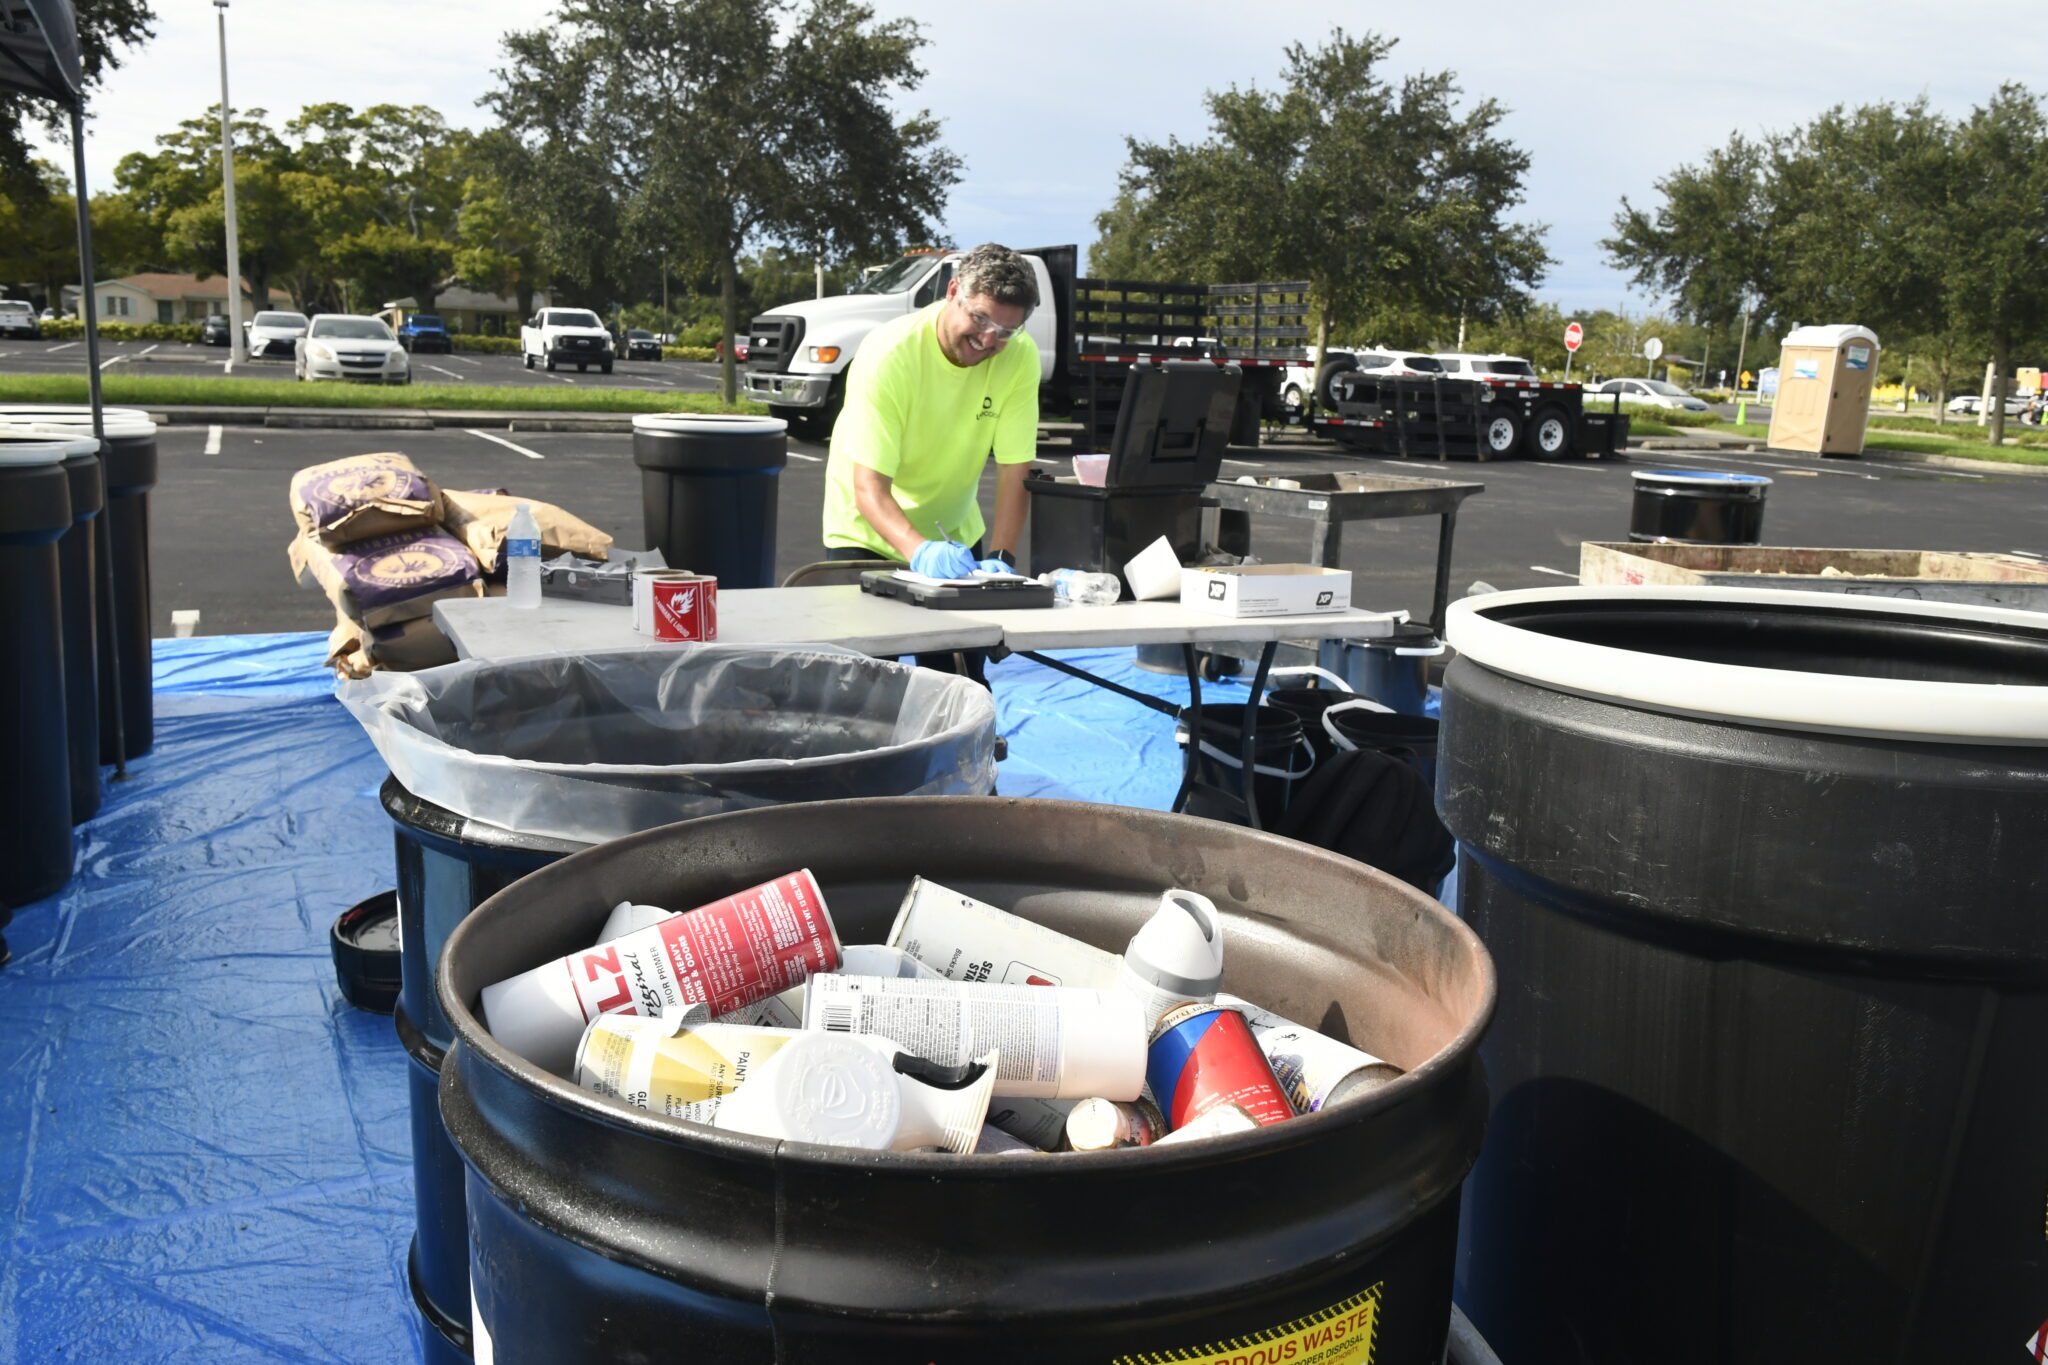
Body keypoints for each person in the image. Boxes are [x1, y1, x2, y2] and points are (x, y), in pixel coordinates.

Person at [821, 243, 1041, 679]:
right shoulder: (890, 353)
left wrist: (1002, 558)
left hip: (956, 541)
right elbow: (868, 488)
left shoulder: (1019, 356)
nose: (989, 339)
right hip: (866, 534)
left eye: (1006, 330)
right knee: (861, 691)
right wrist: (919, 552)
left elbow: (1016, 470)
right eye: (980, 318)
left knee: (961, 691)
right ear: (953, 290)